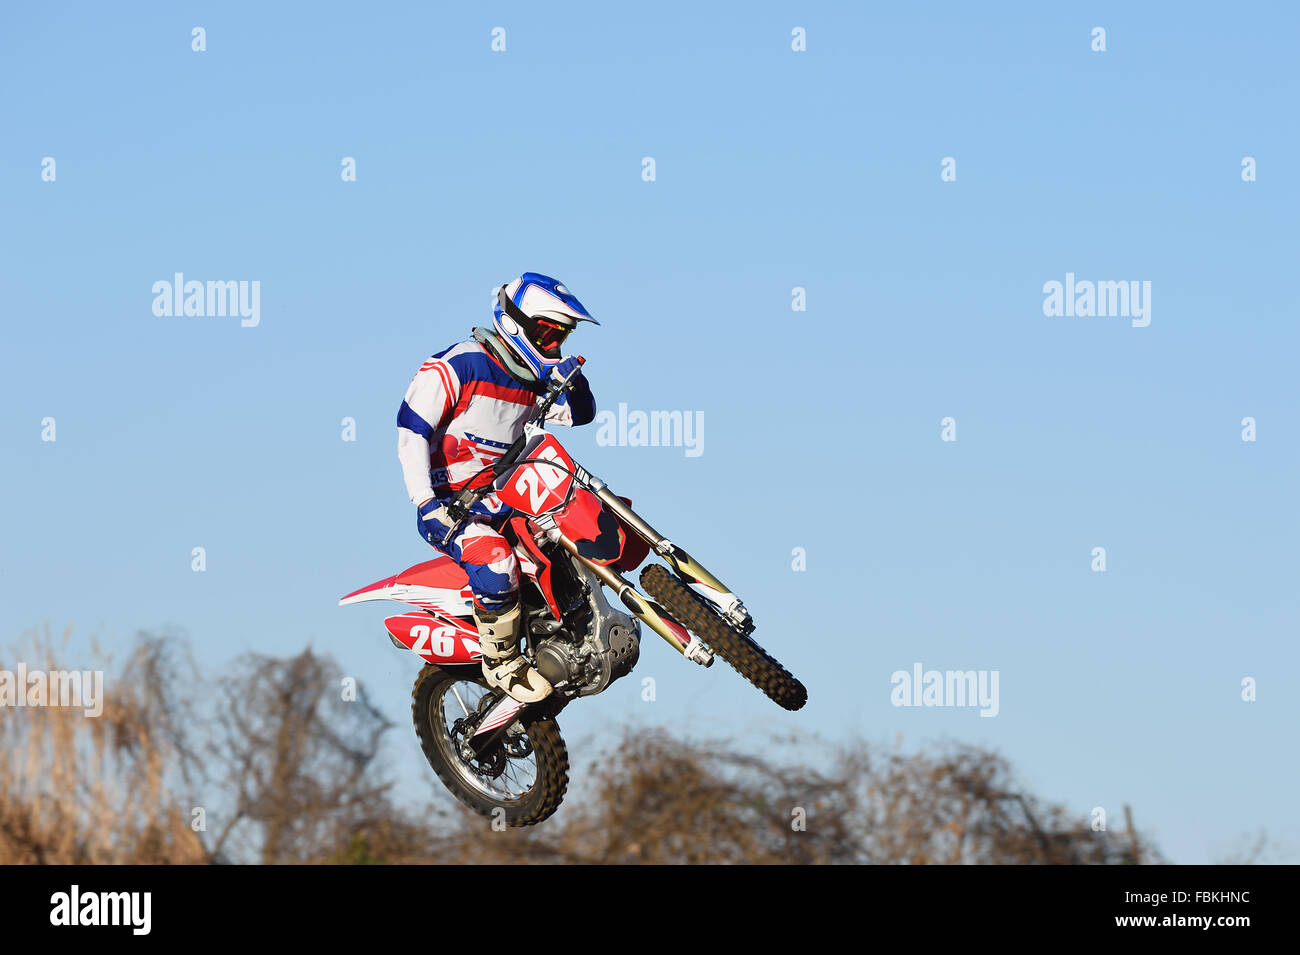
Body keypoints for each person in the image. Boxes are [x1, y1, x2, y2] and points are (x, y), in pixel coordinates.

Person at [397, 273, 597, 703]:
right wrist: (426, 502)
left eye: (561, 336)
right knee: (496, 559)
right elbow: (411, 431)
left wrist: (574, 383)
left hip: (508, 502)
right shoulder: (459, 364)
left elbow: (580, 415)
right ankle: (502, 663)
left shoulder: (534, 380)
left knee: (577, 529)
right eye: (548, 333)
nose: (554, 345)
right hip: (452, 509)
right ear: (516, 321)